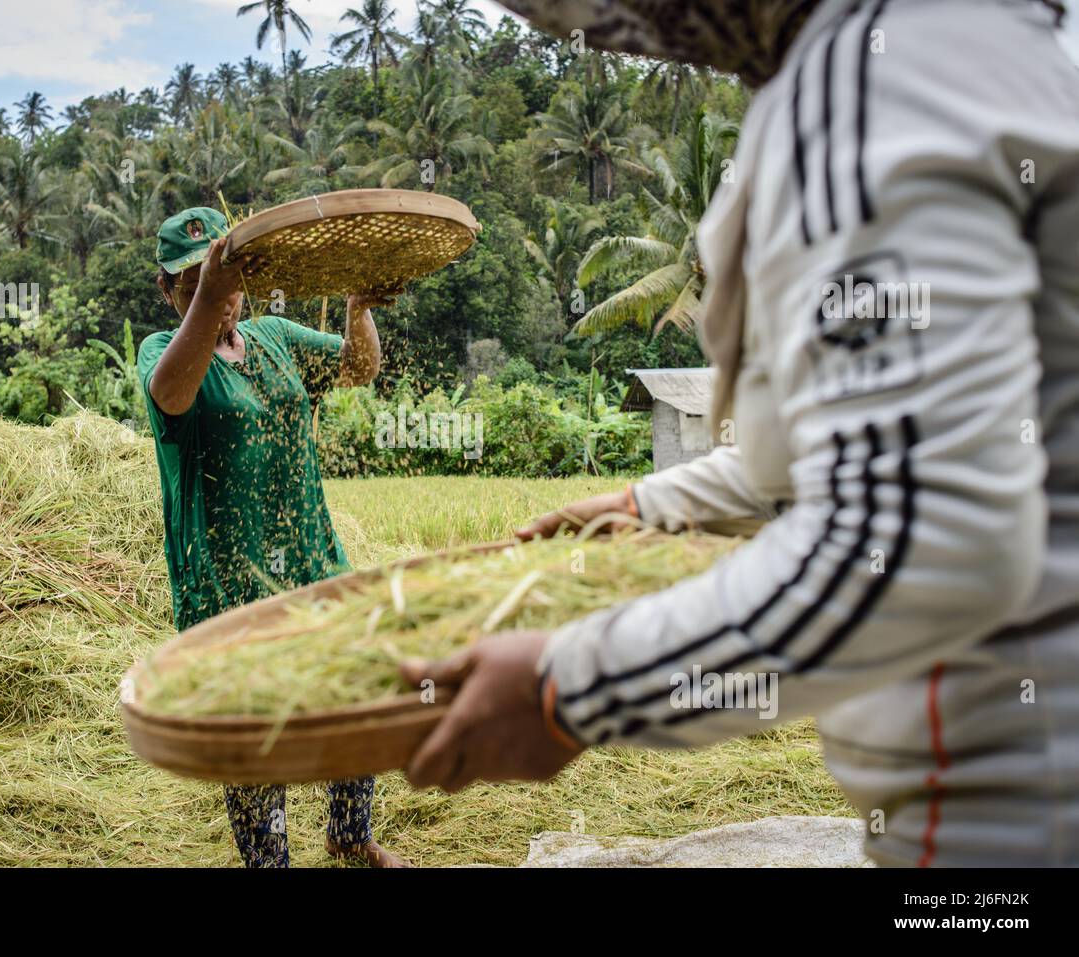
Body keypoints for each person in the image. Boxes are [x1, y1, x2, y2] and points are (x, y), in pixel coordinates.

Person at [401, 0, 1079, 866]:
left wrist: (566, 689)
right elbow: (863, 436)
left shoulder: (869, 83)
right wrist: (649, 500)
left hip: (1012, 821)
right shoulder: (942, 45)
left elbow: (926, 536)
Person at [138, 206, 405, 868]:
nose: (217, 290)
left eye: (226, 274)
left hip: (314, 565)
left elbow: (356, 367)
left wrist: (356, 307)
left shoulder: (276, 337)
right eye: (193, 279)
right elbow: (172, 394)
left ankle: (349, 833)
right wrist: (211, 288)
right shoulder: (162, 354)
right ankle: (269, 862)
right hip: (230, 587)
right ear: (168, 289)